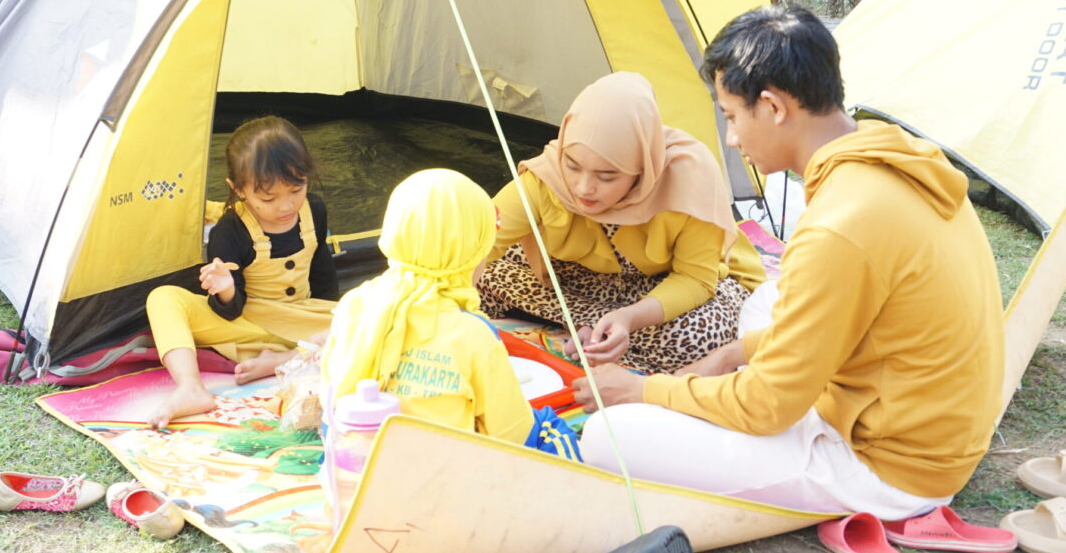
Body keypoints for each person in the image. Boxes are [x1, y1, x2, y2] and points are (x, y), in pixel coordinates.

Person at [574, 6, 1004, 519]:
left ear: (774, 107)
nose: (731, 137)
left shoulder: (838, 227)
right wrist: (730, 355)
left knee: (608, 436)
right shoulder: (891, 157)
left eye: (732, 116)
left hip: (890, 467)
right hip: (930, 422)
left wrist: (644, 390)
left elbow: (767, 407)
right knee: (763, 305)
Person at [477, 72, 766, 376]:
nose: (583, 188)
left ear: (642, 166)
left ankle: (593, 326)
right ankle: (590, 326)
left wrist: (629, 319)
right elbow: (479, 238)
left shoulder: (689, 179)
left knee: (702, 335)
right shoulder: (546, 177)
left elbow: (695, 279)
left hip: (656, 287)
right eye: (572, 166)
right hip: (572, 277)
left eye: (607, 176)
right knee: (475, 275)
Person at [146, 116, 339, 429]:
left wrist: (334, 317)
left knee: (378, 316)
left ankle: (284, 361)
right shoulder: (230, 230)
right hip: (247, 321)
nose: (285, 206)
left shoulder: (314, 209)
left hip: (303, 321)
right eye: (268, 198)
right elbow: (229, 311)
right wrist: (226, 289)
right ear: (238, 189)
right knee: (163, 298)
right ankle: (190, 388)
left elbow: (323, 272)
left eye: (296, 189)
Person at [324, 169, 533, 445]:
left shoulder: (354, 304)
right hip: (444, 477)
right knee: (548, 429)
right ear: (472, 251)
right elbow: (512, 434)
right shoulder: (473, 333)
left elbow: (329, 401)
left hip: (356, 466)